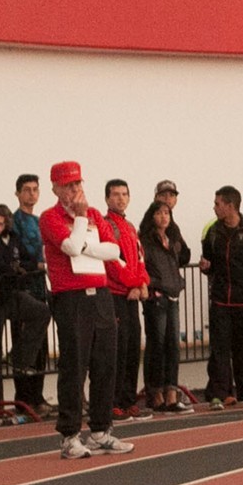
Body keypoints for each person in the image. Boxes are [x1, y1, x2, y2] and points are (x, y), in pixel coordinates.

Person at [38, 162, 135, 459]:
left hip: (101, 294)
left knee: (106, 362)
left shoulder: (95, 214)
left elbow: (113, 250)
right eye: (68, 185)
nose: (75, 189)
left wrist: (85, 246)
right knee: (74, 365)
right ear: (55, 188)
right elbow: (69, 247)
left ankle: (100, 430)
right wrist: (79, 222)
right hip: (70, 298)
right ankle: (69, 435)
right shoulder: (50, 217)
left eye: (78, 183)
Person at [199, 186, 243, 409]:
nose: (214, 207)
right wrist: (205, 267)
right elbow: (209, 263)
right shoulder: (213, 232)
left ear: (230, 206)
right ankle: (218, 393)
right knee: (219, 349)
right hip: (220, 300)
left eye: (217, 203)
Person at [99, 180, 153, 420]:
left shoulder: (130, 227)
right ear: (107, 199)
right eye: (115, 195)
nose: (120, 199)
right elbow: (111, 262)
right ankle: (113, 402)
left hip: (133, 295)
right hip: (115, 296)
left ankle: (129, 399)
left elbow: (140, 258)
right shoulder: (105, 225)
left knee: (132, 349)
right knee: (117, 350)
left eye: (124, 194)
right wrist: (132, 284)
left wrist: (142, 284)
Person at [0, 205, 51, 412]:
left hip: (10, 294)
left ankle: (18, 358)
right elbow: (3, 266)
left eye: (0, 224)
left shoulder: (12, 239)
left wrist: (25, 268)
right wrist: (14, 268)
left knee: (42, 311)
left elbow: (28, 260)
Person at [138, 199, 193, 412]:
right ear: (152, 216)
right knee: (157, 345)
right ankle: (155, 392)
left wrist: (177, 241)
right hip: (156, 298)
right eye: (160, 213)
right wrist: (155, 285)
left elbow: (185, 258)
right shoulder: (145, 241)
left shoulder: (172, 239)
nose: (164, 217)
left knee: (173, 346)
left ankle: (171, 391)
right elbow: (143, 268)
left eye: (167, 214)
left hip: (173, 295)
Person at [10, 173, 52, 413]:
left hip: (40, 289)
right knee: (23, 345)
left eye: (35, 189)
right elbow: (19, 257)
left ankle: (37, 397)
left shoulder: (39, 221)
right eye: (26, 189)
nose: (32, 194)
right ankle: (23, 399)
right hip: (21, 291)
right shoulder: (13, 222)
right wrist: (36, 266)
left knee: (41, 347)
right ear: (17, 193)